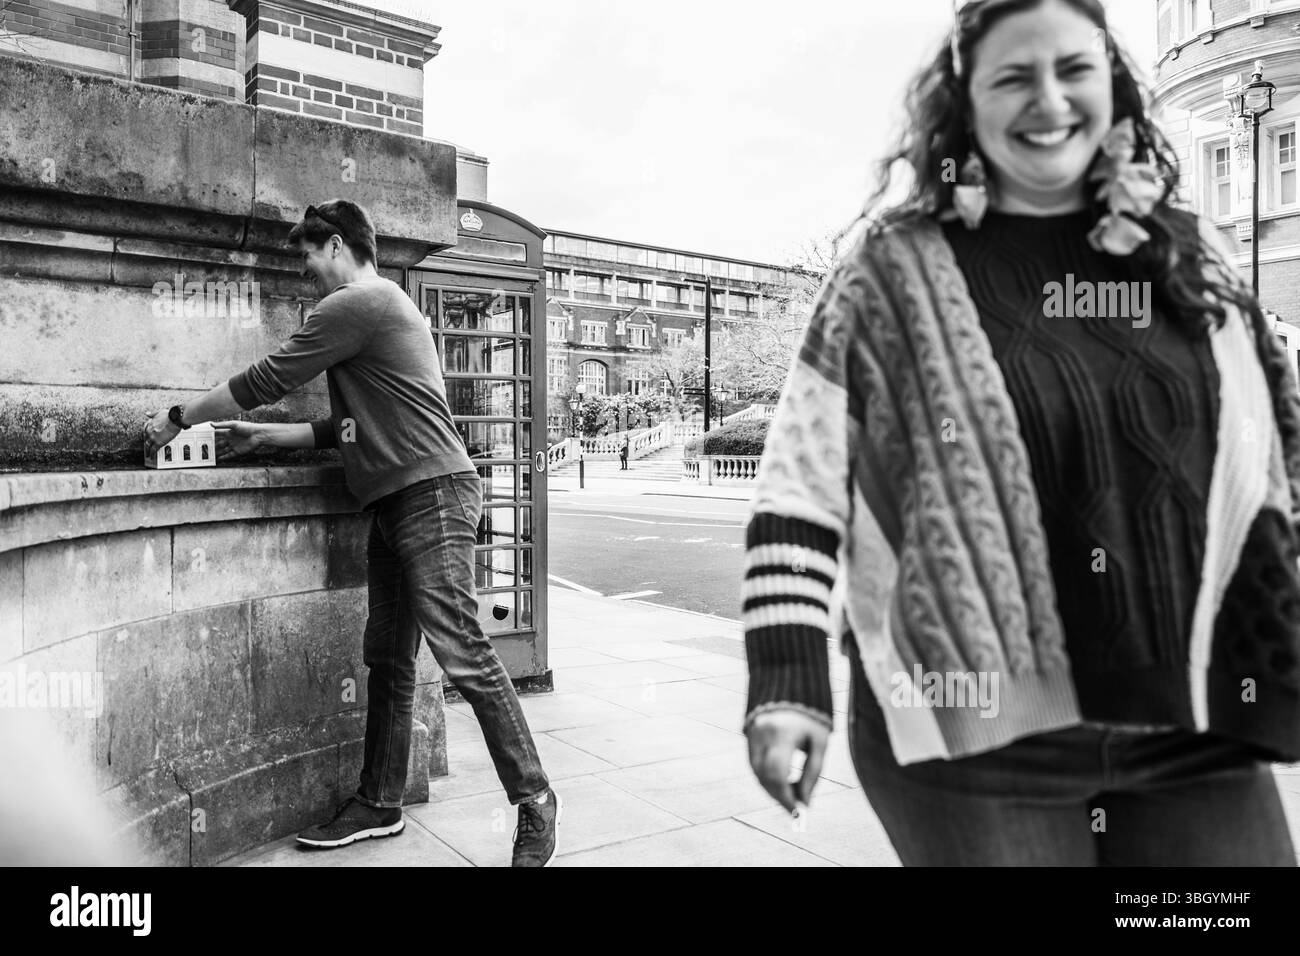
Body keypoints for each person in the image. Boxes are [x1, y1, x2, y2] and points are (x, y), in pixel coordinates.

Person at [742, 0, 1300, 866]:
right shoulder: (891, 273)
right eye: (1014, 76)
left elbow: (1276, 458)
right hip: (975, 735)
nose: (1049, 98)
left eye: (1073, 69)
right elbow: (800, 488)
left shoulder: (1188, 256)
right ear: (966, 101)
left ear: (1109, 81)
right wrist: (788, 679)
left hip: (1199, 718)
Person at [142, 199, 561, 867]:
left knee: (462, 650)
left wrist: (177, 415)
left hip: (432, 497)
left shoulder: (357, 302)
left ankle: (535, 800)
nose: (305, 270)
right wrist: (262, 438)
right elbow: (352, 428)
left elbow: (263, 380)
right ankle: (379, 801)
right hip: (397, 501)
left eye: (308, 254)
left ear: (336, 244)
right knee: (388, 660)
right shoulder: (383, 310)